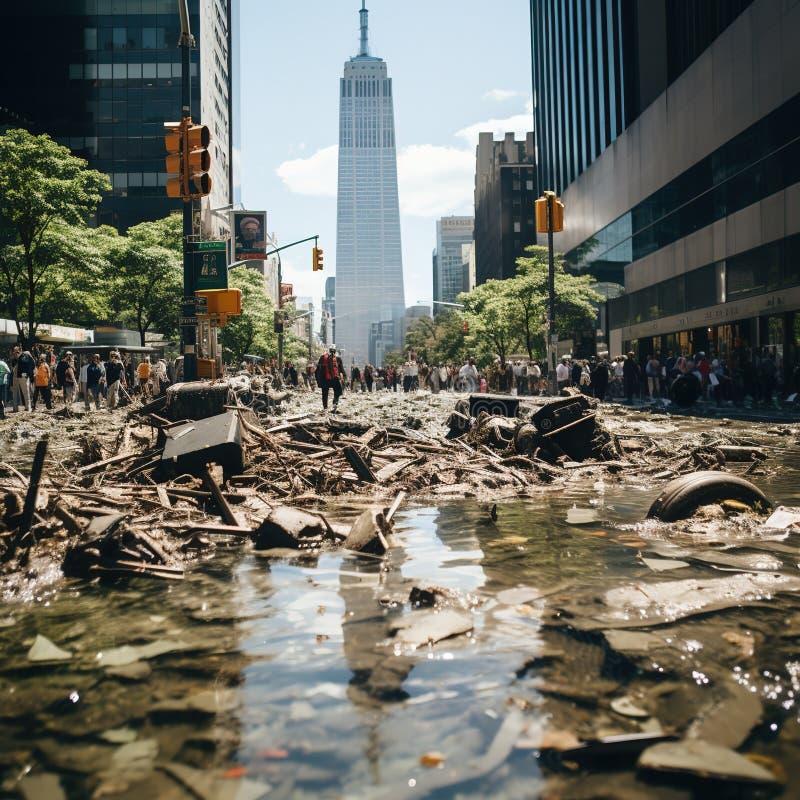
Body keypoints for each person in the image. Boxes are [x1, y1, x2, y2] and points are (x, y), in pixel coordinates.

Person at [315, 345, 344, 410]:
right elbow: (342, 370)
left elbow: (317, 370)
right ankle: (335, 403)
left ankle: (325, 407)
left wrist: (318, 380)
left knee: (325, 393)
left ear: (329, 350)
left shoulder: (322, 357)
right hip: (335, 378)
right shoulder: (338, 359)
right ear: (335, 351)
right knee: (337, 391)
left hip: (324, 379)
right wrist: (343, 379)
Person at [12, 346, 35, 412]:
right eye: (14, 352)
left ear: (20, 350)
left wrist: (26, 374)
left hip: (23, 376)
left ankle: (28, 408)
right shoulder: (15, 358)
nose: (15, 353)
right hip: (15, 376)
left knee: (26, 392)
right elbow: (13, 366)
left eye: (17, 352)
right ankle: (15, 408)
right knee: (15, 392)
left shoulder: (25, 356)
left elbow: (30, 365)